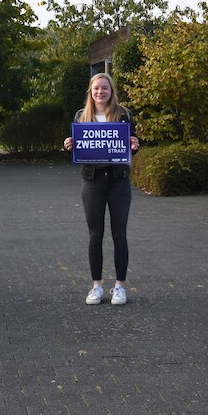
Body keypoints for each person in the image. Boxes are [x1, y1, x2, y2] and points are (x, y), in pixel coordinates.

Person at [63, 73, 140, 306]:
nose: (100, 92)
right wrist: (70, 145)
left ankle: (119, 287)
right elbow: (79, 145)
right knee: (95, 235)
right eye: (96, 88)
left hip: (118, 181)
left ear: (111, 90)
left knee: (120, 235)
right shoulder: (81, 116)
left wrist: (134, 145)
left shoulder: (124, 114)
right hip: (92, 181)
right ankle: (96, 286)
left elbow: (133, 143)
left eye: (104, 88)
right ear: (91, 91)